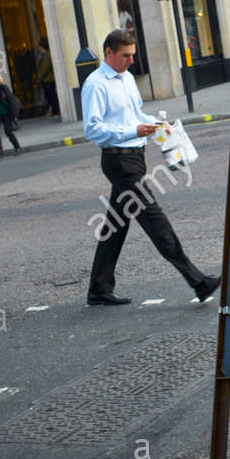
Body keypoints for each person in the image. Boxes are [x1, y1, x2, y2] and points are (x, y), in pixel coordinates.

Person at [81, 29, 220, 307]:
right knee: (155, 220)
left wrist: (156, 124)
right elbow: (92, 129)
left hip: (135, 157)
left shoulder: (128, 78)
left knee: (115, 225)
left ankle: (99, 288)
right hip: (118, 160)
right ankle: (198, 281)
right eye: (125, 56)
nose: (131, 61)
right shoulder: (95, 85)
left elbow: (135, 115)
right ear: (109, 53)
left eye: (133, 55)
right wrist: (133, 130)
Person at [0, 68, 22, 156]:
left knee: (8, 131)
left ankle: (17, 147)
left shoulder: (3, 87)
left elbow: (11, 99)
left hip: (5, 112)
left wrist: (14, 114)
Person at [35, 38, 59, 117]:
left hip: (48, 79)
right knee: (49, 95)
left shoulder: (47, 55)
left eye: (40, 46)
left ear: (43, 46)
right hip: (46, 79)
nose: (39, 47)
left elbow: (45, 67)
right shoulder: (42, 55)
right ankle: (54, 110)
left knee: (51, 96)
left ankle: (56, 111)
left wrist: (39, 77)